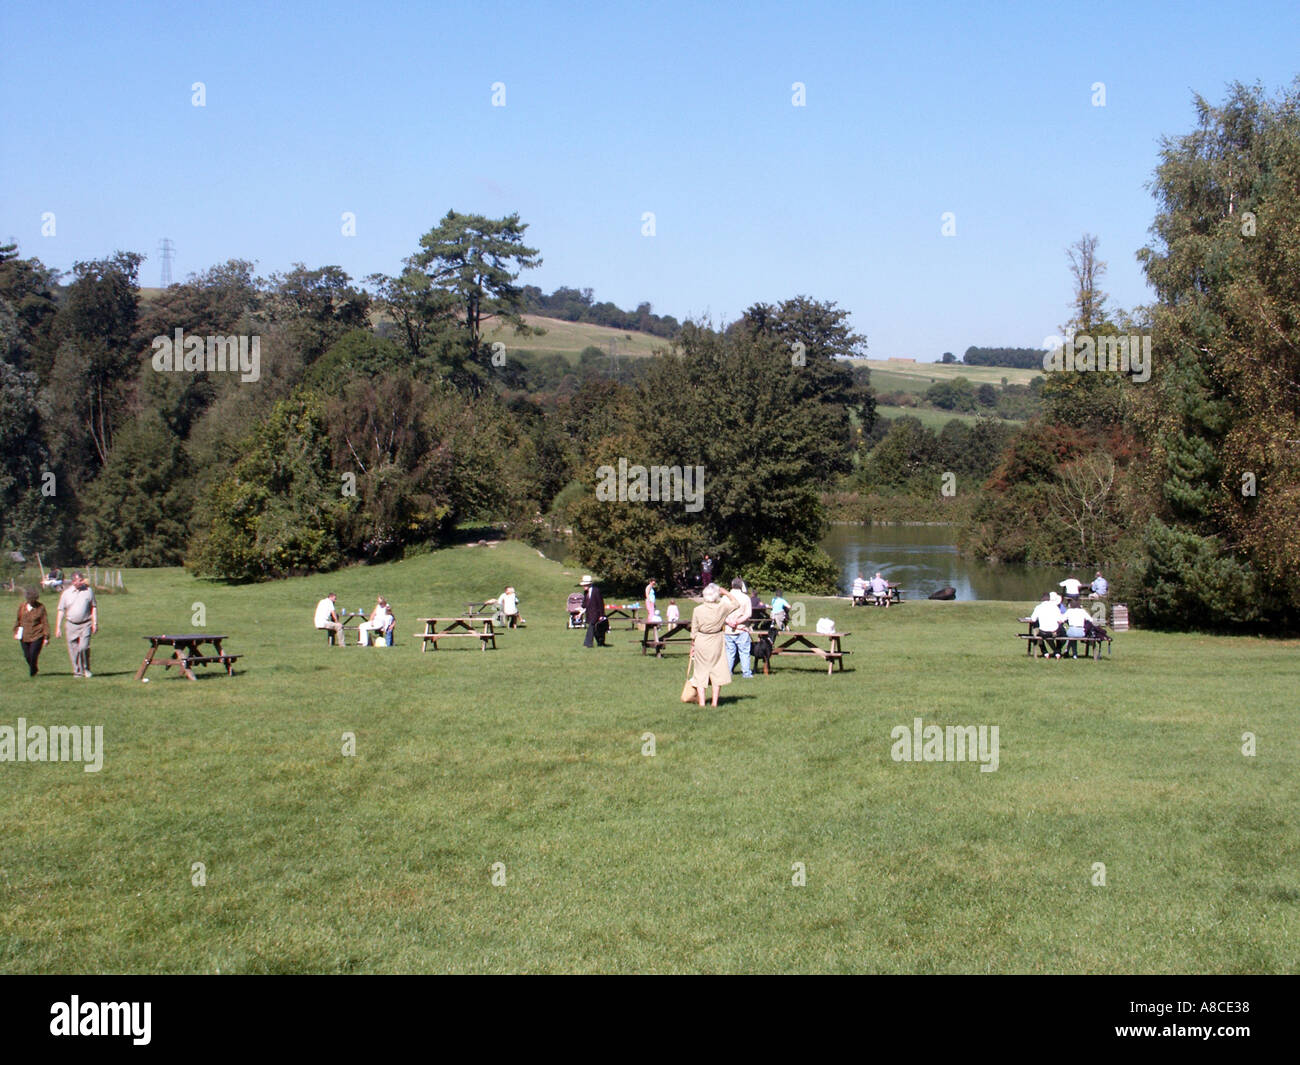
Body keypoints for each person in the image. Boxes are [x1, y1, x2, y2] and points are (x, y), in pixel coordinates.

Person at [688, 583, 732, 707]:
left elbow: (694, 630)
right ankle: (714, 702)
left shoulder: (697, 610)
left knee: (700, 671)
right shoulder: (722, 607)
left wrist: (692, 645)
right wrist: (727, 593)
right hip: (716, 640)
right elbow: (736, 604)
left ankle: (702, 703)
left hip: (701, 640)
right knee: (717, 670)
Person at [54, 571, 97, 677]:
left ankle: (86, 669)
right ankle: (77, 671)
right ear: (73, 581)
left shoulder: (88, 591)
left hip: (85, 623)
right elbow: (61, 610)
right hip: (71, 625)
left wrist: (95, 623)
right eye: (80, 580)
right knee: (74, 650)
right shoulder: (66, 594)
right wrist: (58, 627)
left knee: (83, 647)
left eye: (82, 579)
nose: (82, 582)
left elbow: (93, 607)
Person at [14, 587, 50, 677]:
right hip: (24, 635)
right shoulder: (22, 607)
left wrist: (46, 637)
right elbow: (18, 620)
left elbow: (45, 622)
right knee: (27, 655)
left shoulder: (41, 607)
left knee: (33, 654)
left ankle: (32, 671)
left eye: (33, 599)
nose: (31, 601)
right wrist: (16, 631)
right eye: (30, 599)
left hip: (37, 635)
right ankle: (34, 668)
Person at [723, 578, 753, 678]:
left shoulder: (725, 598)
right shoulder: (746, 598)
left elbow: (721, 614)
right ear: (741, 585)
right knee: (744, 652)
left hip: (728, 629)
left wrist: (729, 622)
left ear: (731, 585)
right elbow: (748, 614)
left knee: (729, 652)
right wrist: (737, 622)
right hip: (742, 628)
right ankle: (746, 673)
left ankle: (727, 672)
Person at [1029, 592, 1064, 659]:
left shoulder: (1038, 607)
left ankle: (1045, 653)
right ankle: (1057, 653)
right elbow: (1060, 619)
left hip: (1043, 632)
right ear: (1049, 599)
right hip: (1054, 631)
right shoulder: (1055, 607)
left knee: (1037, 636)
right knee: (1062, 633)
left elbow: (1033, 619)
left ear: (1042, 599)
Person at [580, 576, 607, 647]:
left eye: (585, 585)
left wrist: (602, 615)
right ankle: (600, 642)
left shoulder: (596, 591)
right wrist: (580, 609)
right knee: (595, 630)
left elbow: (600, 603)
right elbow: (585, 603)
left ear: (589, 584)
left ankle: (588, 643)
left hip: (597, 613)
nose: (583, 586)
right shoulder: (586, 592)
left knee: (591, 627)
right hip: (589, 613)